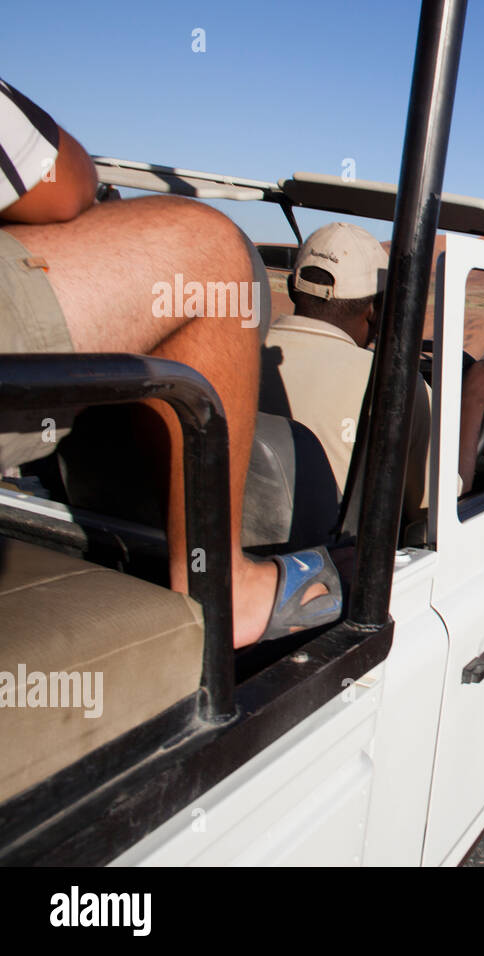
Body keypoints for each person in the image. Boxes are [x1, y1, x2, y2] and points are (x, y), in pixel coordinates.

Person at [0, 77, 339, 647]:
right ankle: (222, 584)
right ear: (374, 316)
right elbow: (55, 183)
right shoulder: (413, 397)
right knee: (211, 255)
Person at [265, 222, 484, 503]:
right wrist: (472, 404)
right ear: (375, 310)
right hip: (338, 546)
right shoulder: (392, 384)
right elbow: (441, 504)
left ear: (293, 289)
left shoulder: (234, 356)